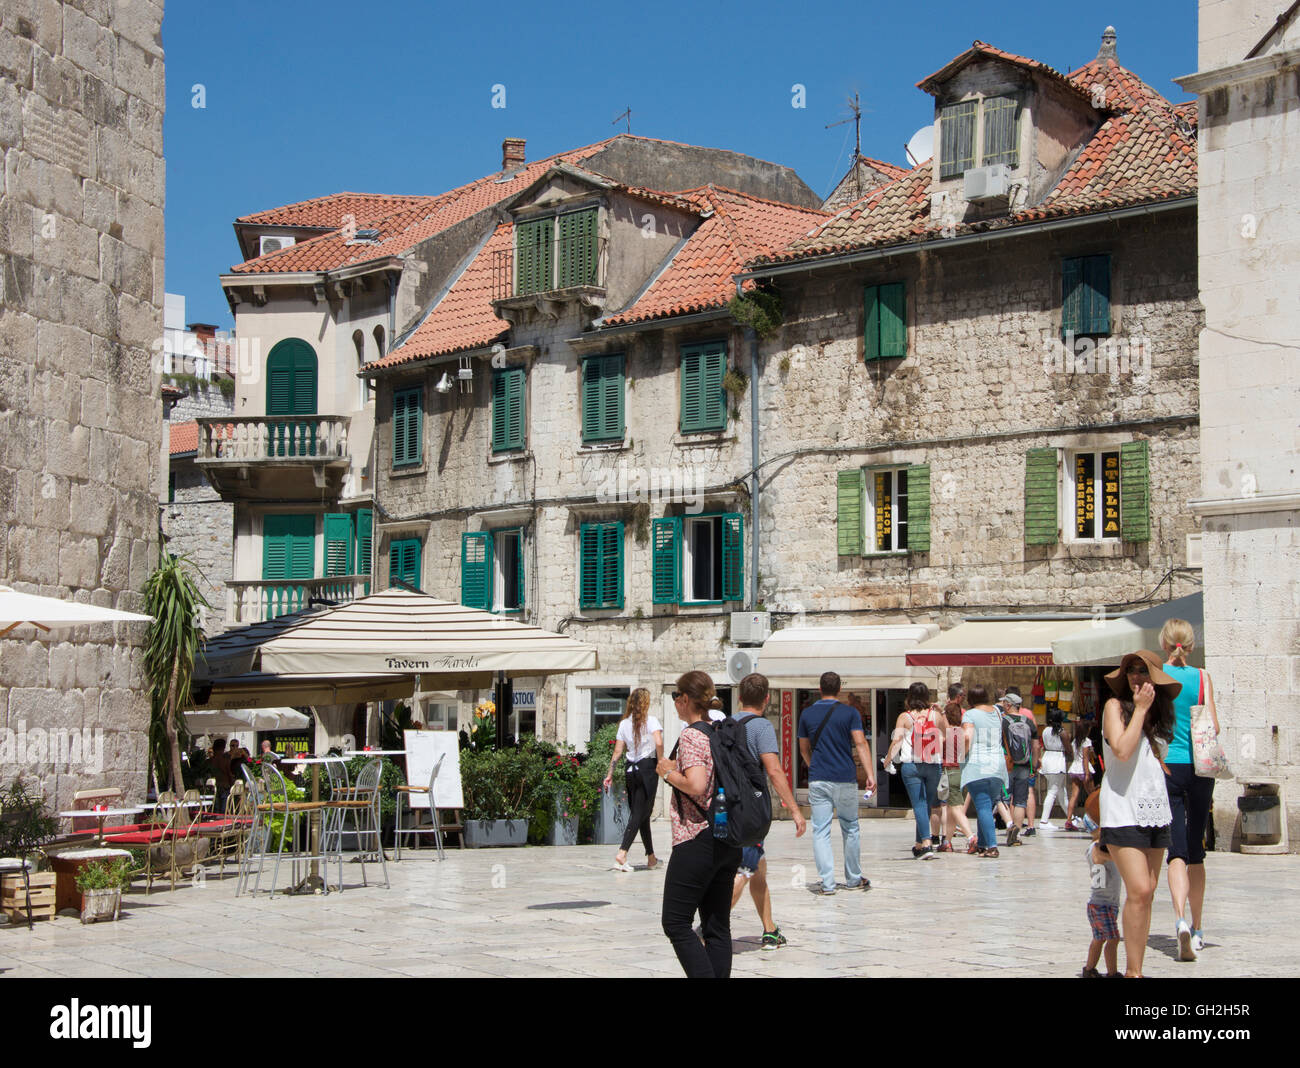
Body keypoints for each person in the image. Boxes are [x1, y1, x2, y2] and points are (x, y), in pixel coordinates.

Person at [658, 671, 742, 978]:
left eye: (675, 697)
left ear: (683, 699)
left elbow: (695, 784)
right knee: (717, 926)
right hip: (727, 835)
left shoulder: (692, 735)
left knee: (676, 922)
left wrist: (667, 772)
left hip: (696, 837)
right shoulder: (718, 731)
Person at [1100, 649, 1177, 978]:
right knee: (1140, 890)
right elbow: (1122, 749)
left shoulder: (1160, 714)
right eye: (1130, 670)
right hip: (1121, 808)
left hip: (1155, 810)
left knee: (1147, 893)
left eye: (1142, 670)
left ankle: (1136, 968)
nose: (1135, 675)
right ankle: (1133, 973)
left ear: (1154, 679)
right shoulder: (1114, 707)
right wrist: (1141, 709)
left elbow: (1153, 757)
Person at [728, 673, 808, 950]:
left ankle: (770, 929)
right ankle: (712, 926)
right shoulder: (761, 727)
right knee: (745, 868)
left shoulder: (725, 725)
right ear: (767, 698)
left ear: (739, 697)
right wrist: (795, 810)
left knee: (758, 869)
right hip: (751, 810)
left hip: (728, 807)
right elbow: (774, 770)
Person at [1160, 618, 1219, 961]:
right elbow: (1214, 725)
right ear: (1191, 645)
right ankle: (1197, 929)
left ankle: (1179, 919)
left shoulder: (1160, 678)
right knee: (1196, 847)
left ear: (1165, 643)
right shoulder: (1202, 678)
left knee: (1176, 850)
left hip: (1169, 767)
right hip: (1200, 767)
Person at [799, 672, 874, 894]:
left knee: (821, 830)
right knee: (850, 827)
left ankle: (828, 882)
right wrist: (870, 774)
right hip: (845, 777)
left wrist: (814, 765)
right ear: (839, 689)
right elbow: (860, 744)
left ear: (819, 689)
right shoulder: (850, 713)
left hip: (819, 778)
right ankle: (853, 878)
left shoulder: (807, 714)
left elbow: (803, 748)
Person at [881, 682, 947, 859]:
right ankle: (919, 844)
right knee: (926, 805)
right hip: (933, 765)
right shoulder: (935, 715)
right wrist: (942, 713)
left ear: (909, 697)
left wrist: (887, 760)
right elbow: (947, 735)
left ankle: (926, 843)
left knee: (918, 803)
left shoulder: (905, 717)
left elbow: (897, 741)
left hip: (912, 764)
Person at [605, 688, 663, 872]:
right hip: (647, 768)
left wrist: (610, 774)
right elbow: (659, 743)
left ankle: (651, 857)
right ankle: (622, 853)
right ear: (646, 703)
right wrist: (661, 763)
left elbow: (617, 752)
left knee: (642, 813)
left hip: (630, 770)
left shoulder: (624, 724)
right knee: (640, 812)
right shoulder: (651, 721)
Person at [959, 684, 1008, 857]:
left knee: (983, 807)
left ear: (970, 699)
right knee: (987, 805)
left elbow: (967, 737)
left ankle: (992, 846)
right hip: (997, 764)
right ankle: (982, 843)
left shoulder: (970, 714)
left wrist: (960, 755)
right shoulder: (996, 712)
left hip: (977, 764)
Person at [1081, 791, 1121, 977]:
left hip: (1108, 903)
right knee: (1112, 939)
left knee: (1099, 939)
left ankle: (1089, 969)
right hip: (1100, 904)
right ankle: (1112, 973)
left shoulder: (1105, 845)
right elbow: (1099, 858)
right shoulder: (1095, 848)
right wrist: (1122, 857)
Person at [939, 688, 974, 850]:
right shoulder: (962, 734)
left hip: (949, 771)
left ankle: (971, 837)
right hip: (960, 771)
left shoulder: (947, 735)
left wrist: (941, 714)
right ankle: (947, 841)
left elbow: (946, 729)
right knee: (955, 807)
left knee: (956, 809)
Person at [1000, 692, 1037, 845]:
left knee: (1003, 799)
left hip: (1007, 765)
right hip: (1024, 765)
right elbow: (1035, 746)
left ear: (1008, 705)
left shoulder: (1002, 722)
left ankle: (1010, 827)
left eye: (1004, 703)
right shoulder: (1029, 722)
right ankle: (1017, 835)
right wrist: (1033, 766)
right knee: (1021, 801)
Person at [1037, 709, 1073, 827]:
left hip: (1048, 758)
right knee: (1052, 791)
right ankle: (1044, 820)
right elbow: (1068, 749)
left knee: (1061, 792)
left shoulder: (1045, 730)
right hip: (1057, 761)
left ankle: (1070, 817)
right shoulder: (1063, 732)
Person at [1064, 721, 1093, 830]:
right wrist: (1087, 773)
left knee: (1074, 796)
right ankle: (1092, 818)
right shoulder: (1087, 741)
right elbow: (1085, 758)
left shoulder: (1074, 742)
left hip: (1074, 768)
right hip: (1083, 769)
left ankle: (1068, 820)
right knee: (1091, 795)